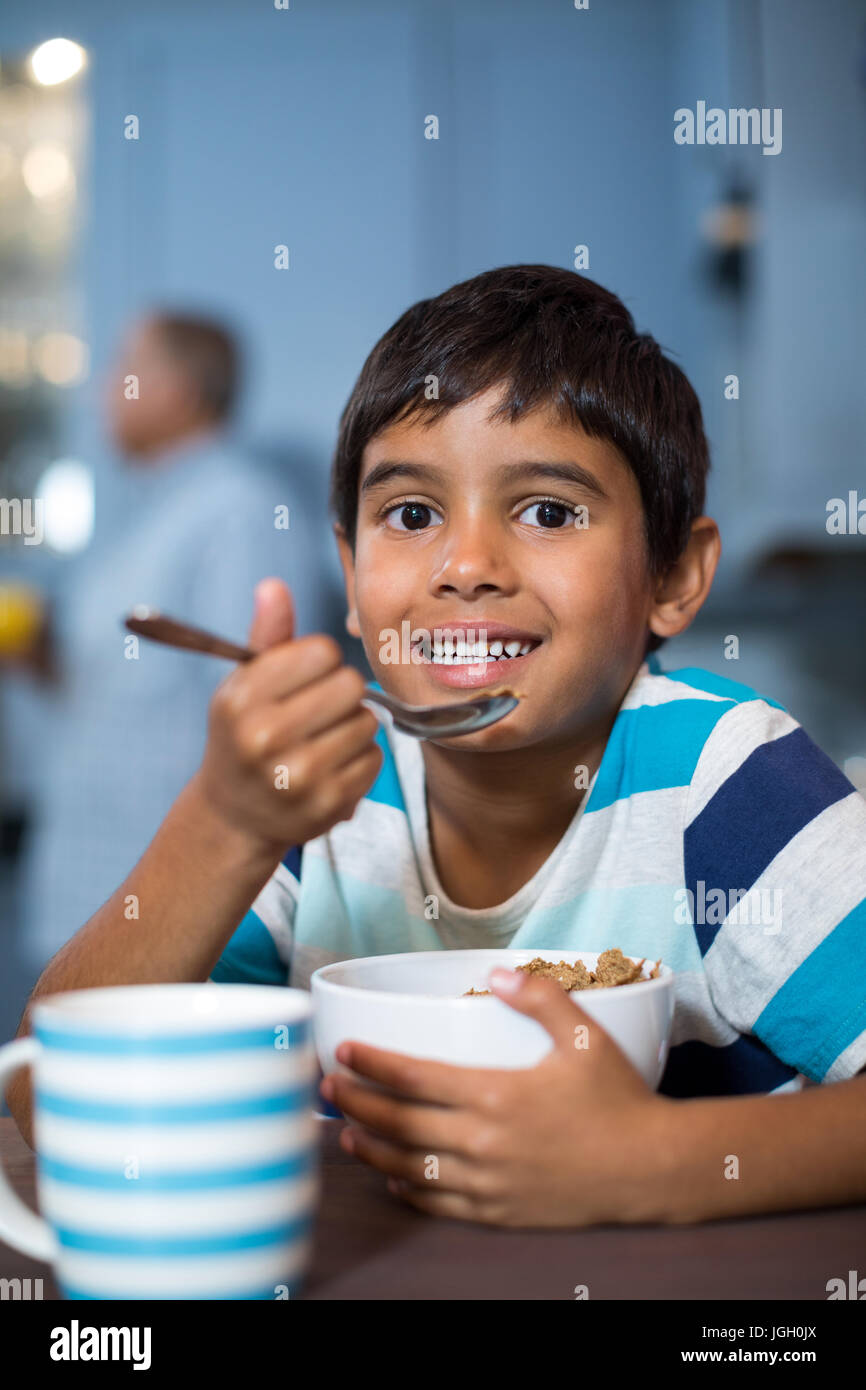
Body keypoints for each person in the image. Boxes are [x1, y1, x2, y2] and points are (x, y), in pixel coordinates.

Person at [7, 267, 866, 1228]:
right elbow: (58, 1095)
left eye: (548, 510)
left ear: (672, 574)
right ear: (351, 570)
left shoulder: (728, 785)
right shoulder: (324, 808)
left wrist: (651, 1160)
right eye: (411, 516)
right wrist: (224, 821)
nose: (465, 568)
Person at [10, 311, 342, 974]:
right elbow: (109, 692)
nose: (102, 390)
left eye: (123, 370)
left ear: (179, 389)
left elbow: (263, 713)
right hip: (84, 887)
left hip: (170, 910)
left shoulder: (241, 510)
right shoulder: (144, 515)